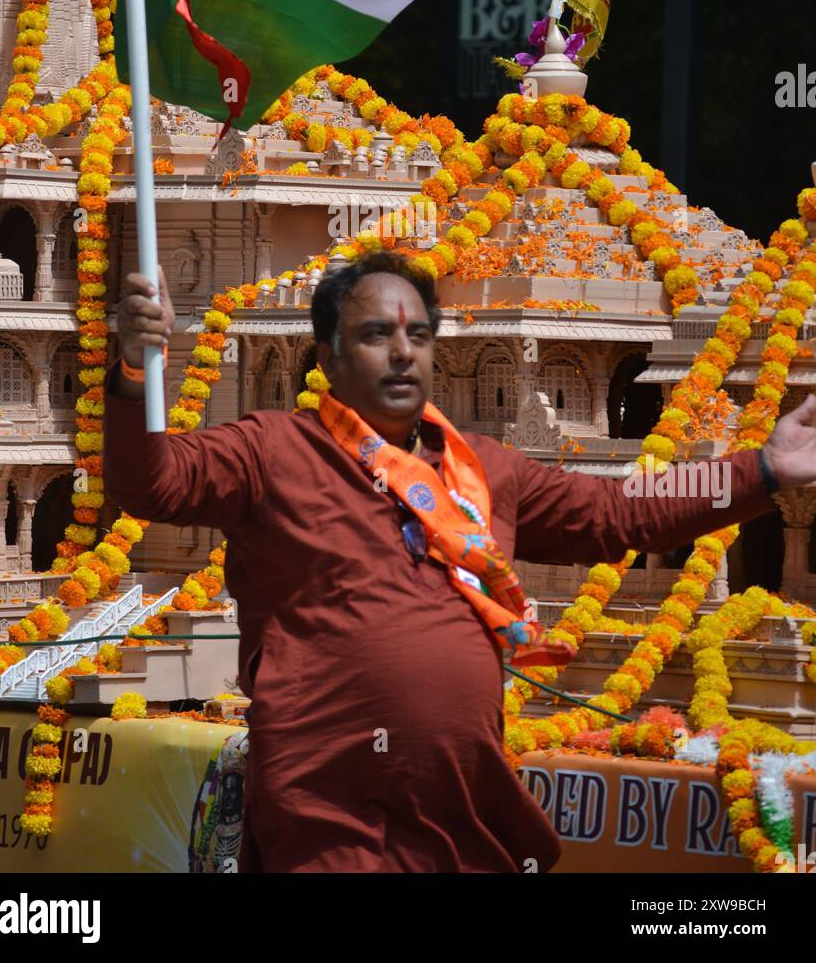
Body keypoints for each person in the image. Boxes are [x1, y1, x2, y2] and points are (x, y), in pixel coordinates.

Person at [104, 251, 816, 873]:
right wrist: (137, 369)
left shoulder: (484, 472)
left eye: (417, 334)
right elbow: (150, 482)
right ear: (326, 359)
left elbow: (619, 514)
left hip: (463, 817)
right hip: (331, 816)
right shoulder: (272, 451)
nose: (403, 352)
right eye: (376, 334)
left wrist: (760, 469)